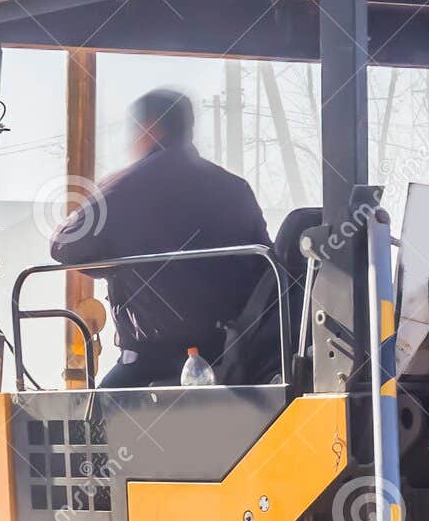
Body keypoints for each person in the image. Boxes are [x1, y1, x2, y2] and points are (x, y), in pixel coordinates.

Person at [49, 87, 269, 387]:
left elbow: (65, 246)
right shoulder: (235, 188)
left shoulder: (125, 188)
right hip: (235, 362)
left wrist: (116, 264)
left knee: (89, 427)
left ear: (150, 127)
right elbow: (264, 268)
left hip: (151, 362)